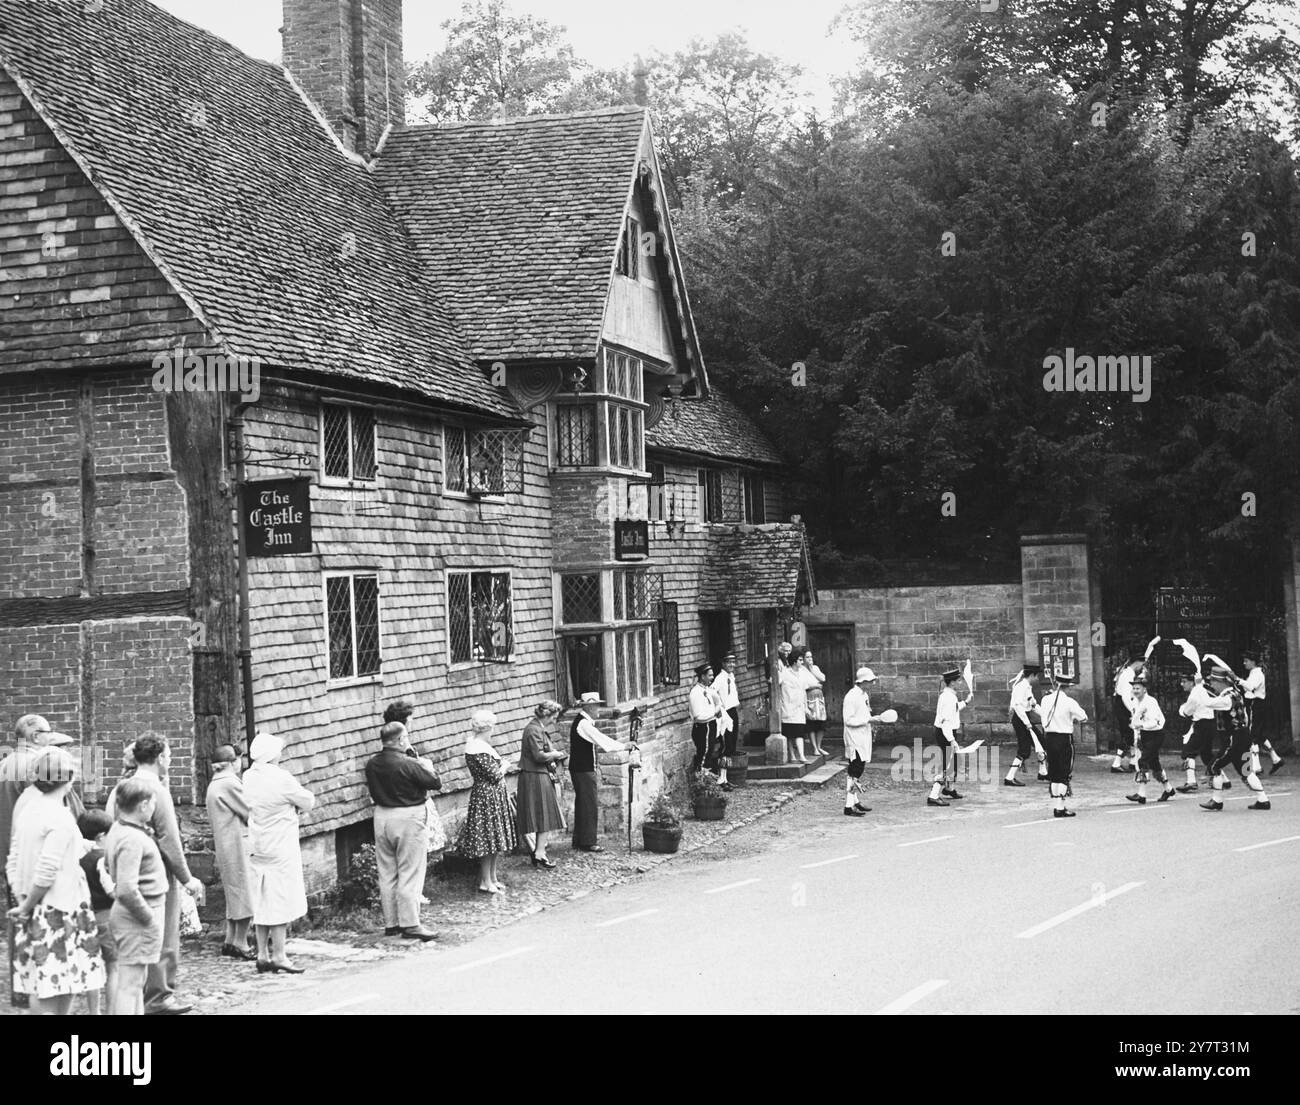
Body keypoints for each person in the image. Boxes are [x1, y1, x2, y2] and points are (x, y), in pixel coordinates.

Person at [106, 735, 205, 1015]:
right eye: (169, 755)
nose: (170, 761)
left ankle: (140, 1001)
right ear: (160, 757)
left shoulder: (120, 788)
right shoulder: (156, 791)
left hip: (124, 869)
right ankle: (159, 995)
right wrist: (187, 878)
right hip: (154, 873)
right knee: (163, 934)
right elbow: (170, 839)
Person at [5, 746, 105, 1015]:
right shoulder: (59, 815)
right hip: (60, 909)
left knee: (62, 979)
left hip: (37, 904)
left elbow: (13, 860)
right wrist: (28, 905)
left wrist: (22, 897)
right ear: (69, 778)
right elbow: (47, 869)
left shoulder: (29, 809)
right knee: (50, 982)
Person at [243, 731, 315, 973]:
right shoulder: (281, 778)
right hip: (280, 846)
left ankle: (262, 953)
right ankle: (280, 955)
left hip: (257, 844)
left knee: (262, 899)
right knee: (280, 900)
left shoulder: (248, 776)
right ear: (272, 755)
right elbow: (308, 801)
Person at [364, 722, 441, 940]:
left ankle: (392, 923)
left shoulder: (372, 764)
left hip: (382, 816)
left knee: (387, 871)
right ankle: (410, 923)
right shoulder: (408, 763)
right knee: (410, 870)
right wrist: (422, 762)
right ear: (400, 739)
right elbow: (435, 782)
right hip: (408, 816)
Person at [103, 775, 168, 1017]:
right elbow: (127, 888)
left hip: (132, 916)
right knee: (130, 985)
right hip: (137, 918)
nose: (154, 808)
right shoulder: (132, 838)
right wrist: (149, 918)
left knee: (136, 983)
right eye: (152, 803)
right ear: (142, 805)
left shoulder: (119, 829)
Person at [457, 711, 517, 894]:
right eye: (492, 727)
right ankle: (485, 881)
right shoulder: (477, 748)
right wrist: (505, 766)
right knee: (488, 838)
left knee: (495, 838)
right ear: (488, 727)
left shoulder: (481, 745)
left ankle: (493, 877)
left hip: (493, 796)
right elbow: (494, 775)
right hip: (486, 797)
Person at [205, 744, 255, 960]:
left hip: (226, 844)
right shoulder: (230, 783)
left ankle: (231, 940)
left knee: (234, 892)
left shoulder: (214, 784)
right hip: (237, 843)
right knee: (244, 893)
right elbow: (250, 811)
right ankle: (241, 943)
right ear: (233, 761)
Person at [1200, 666, 1272, 812]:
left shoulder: (1227, 699)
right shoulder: (1235, 693)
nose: (1212, 685)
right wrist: (1203, 686)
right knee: (1246, 771)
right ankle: (1263, 800)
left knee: (1214, 766)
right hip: (1244, 737)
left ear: (1220, 682)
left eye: (1212, 682)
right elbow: (1216, 698)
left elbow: (1208, 702)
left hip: (1233, 738)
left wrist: (1198, 687)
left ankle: (1217, 800)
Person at [567, 694, 624, 853]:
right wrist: (623, 746)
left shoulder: (583, 721)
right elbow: (601, 740)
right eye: (597, 706)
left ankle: (579, 839)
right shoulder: (584, 724)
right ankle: (588, 841)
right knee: (589, 804)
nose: (598, 709)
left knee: (583, 803)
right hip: (583, 769)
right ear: (589, 707)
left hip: (581, 768)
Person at [516, 702, 567, 870]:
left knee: (543, 815)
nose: (554, 720)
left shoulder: (538, 728)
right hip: (534, 775)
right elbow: (538, 756)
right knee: (542, 814)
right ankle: (539, 853)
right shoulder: (533, 730)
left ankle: (539, 852)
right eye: (553, 717)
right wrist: (554, 754)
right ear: (546, 715)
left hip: (539, 774)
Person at [1, 714, 51, 882]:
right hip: (28, 856)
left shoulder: (3, 763)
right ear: (36, 736)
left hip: (6, 852)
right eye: (48, 732)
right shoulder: (35, 765)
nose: (51, 737)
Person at [78, 809, 115, 1014]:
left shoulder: (81, 859)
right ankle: (111, 1011)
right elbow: (110, 890)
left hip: (88, 919)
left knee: (92, 969)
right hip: (107, 918)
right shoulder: (102, 859)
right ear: (101, 836)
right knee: (113, 967)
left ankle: (94, 1011)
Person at [1039, 671, 1087, 818]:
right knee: (1064, 772)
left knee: (1054, 772)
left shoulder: (1045, 700)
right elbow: (1084, 717)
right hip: (1064, 738)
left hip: (1049, 738)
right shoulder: (1069, 702)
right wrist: (1072, 717)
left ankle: (1057, 805)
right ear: (1068, 687)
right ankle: (1060, 807)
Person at [841, 667, 887, 816]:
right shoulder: (851, 696)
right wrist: (868, 719)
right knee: (855, 770)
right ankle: (849, 806)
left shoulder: (863, 695)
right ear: (863, 681)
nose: (872, 684)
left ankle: (854, 801)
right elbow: (848, 720)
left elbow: (865, 713)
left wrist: (872, 720)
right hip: (854, 737)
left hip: (862, 735)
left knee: (858, 769)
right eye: (870, 681)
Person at [1125, 677, 1174, 803]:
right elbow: (1135, 720)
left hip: (1156, 733)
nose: (1135, 691)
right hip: (1145, 734)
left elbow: (1154, 721)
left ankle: (1141, 794)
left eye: (1138, 688)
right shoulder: (1135, 701)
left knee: (1143, 761)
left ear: (1144, 689)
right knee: (1154, 763)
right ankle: (1168, 789)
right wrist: (1138, 735)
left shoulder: (1151, 702)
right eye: (1134, 688)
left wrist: (1141, 726)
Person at [927, 667, 972, 807]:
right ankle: (933, 796)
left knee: (954, 762)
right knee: (949, 764)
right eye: (958, 681)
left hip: (946, 732)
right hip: (945, 733)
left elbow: (954, 709)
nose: (960, 683)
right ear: (952, 683)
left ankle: (948, 789)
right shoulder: (948, 697)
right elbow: (946, 721)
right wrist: (951, 740)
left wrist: (966, 702)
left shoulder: (948, 696)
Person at [1176, 670, 1226, 793]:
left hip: (1202, 725)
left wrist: (1182, 710)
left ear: (1193, 683)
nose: (1182, 684)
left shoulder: (1195, 693)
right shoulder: (1203, 690)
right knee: (1206, 755)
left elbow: (1187, 712)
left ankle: (1191, 782)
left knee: (1188, 753)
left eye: (1184, 682)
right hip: (1210, 724)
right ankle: (1224, 779)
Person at [1004, 662, 1047, 787]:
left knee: (1041, 742)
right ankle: (1009, 777)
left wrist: (1046, 715)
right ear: (1032, 675)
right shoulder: (1021, 687)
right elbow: (1017, 706)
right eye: (1037, 676)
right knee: (1024, 750)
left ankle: (1043, 773)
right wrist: (1027, 723)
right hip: (1020, 720)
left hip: (1024, 719)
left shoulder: (1027, 687)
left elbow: (1033, 705)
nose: (1037, 678)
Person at [1242, 651, 1284, 776]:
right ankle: (1276, 759)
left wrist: (1238, 680)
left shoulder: (1257, 674)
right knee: (1259, 734)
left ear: (1253, 661)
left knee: (1252, 735)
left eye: (1246, 661)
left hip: (1256, 705)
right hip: (1256, 704)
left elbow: (1250, 687)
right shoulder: (1253, 673)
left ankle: (1256, 767)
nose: (1244, 663)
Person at [776, 643, 809, 765]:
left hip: (799, 708)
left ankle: (802, 756)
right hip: (788, 707)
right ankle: (792, 755)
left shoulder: (802, 673)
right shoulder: (785, 673)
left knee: (799, 732)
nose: (802, 662)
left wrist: (806, 706)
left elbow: (804, 690)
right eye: (800, 660)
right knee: (790, 734)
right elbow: (775, 683)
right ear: (794, 661)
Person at [1111, 655, 1144, 773]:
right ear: (1137, 663)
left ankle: (1133, 762)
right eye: (1142, 665)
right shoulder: (1128, 674)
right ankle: (1116, 763)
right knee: (1128, 734)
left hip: (1122, 705)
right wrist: (1132, 711)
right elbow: (1125, 696)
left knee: (1131, 734)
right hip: (1123, 706)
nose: (1142, 667)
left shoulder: (1125, 672)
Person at [688, 663, 722, 774]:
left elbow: (717, 701)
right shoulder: (695, 693)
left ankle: (708, 782)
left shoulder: (708, 690)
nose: (712, 678)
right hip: (703, 728)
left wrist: (717, 706)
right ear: (702, 677)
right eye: (710, 675)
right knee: (704, 755)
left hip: (710, 725)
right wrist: (715, 712)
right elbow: (698, 716)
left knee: (710, 753)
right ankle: (702, 783)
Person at [712, 653, 741, 769]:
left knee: (733, 737)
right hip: (726, 711)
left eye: (733, 662)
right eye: (729, 662)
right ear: (723, 664)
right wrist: (719, 706)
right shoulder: (720, 678)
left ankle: (730, 768)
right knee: (727, 741)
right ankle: (723, 772)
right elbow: (712, 692)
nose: (732, 665)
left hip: (732, 709)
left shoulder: (731, 676)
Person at [801, 650, 829, 758]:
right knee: (812, 723)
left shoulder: (815, 668)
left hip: (819, 698)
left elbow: (823, 678)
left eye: (811, 657)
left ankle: (819, 746)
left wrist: (812, 669)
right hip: (809, 697)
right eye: (807, 657)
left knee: (821, 722)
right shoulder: (801, 670)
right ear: (803, 659)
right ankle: (814, 748)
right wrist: (815, 686)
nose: (810, 659)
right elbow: (804, 685)